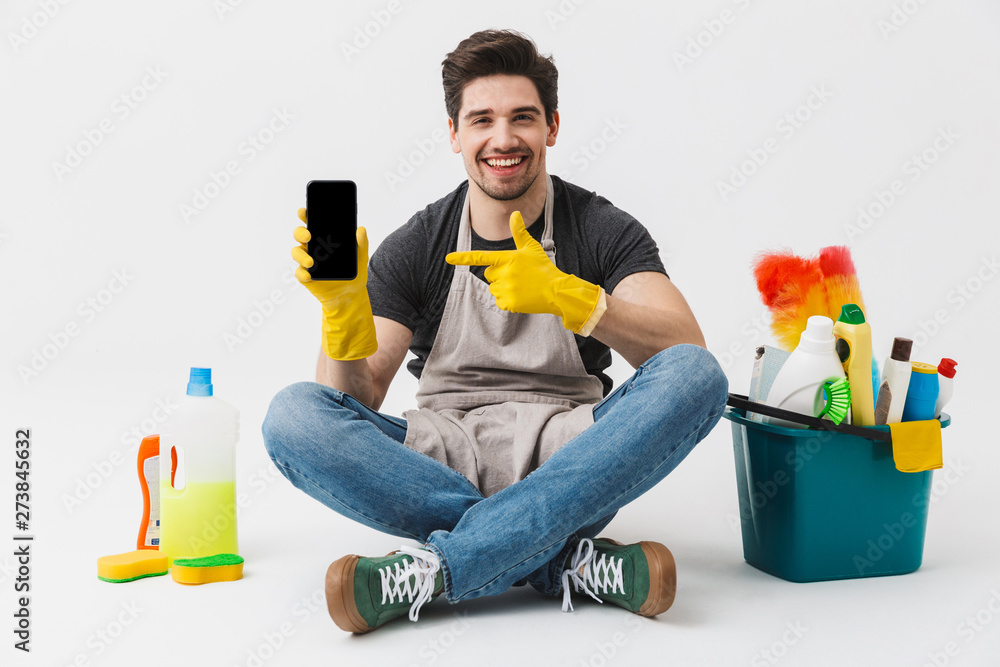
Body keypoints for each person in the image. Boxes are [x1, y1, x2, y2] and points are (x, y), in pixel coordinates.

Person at [262, 29, 727, 634]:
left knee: (698, 376)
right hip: (441, 460)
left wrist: (573, 297)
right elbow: (354, 398)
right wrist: (340, 312)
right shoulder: (418, 244)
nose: (502, 139)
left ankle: (438, 571)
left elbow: (685, 348)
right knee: (292, 416)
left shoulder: (601, 229)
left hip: (570, 453)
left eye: (522, 118)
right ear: (454, 133)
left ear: (552, 127)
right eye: (481, 120)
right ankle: (559, 563)